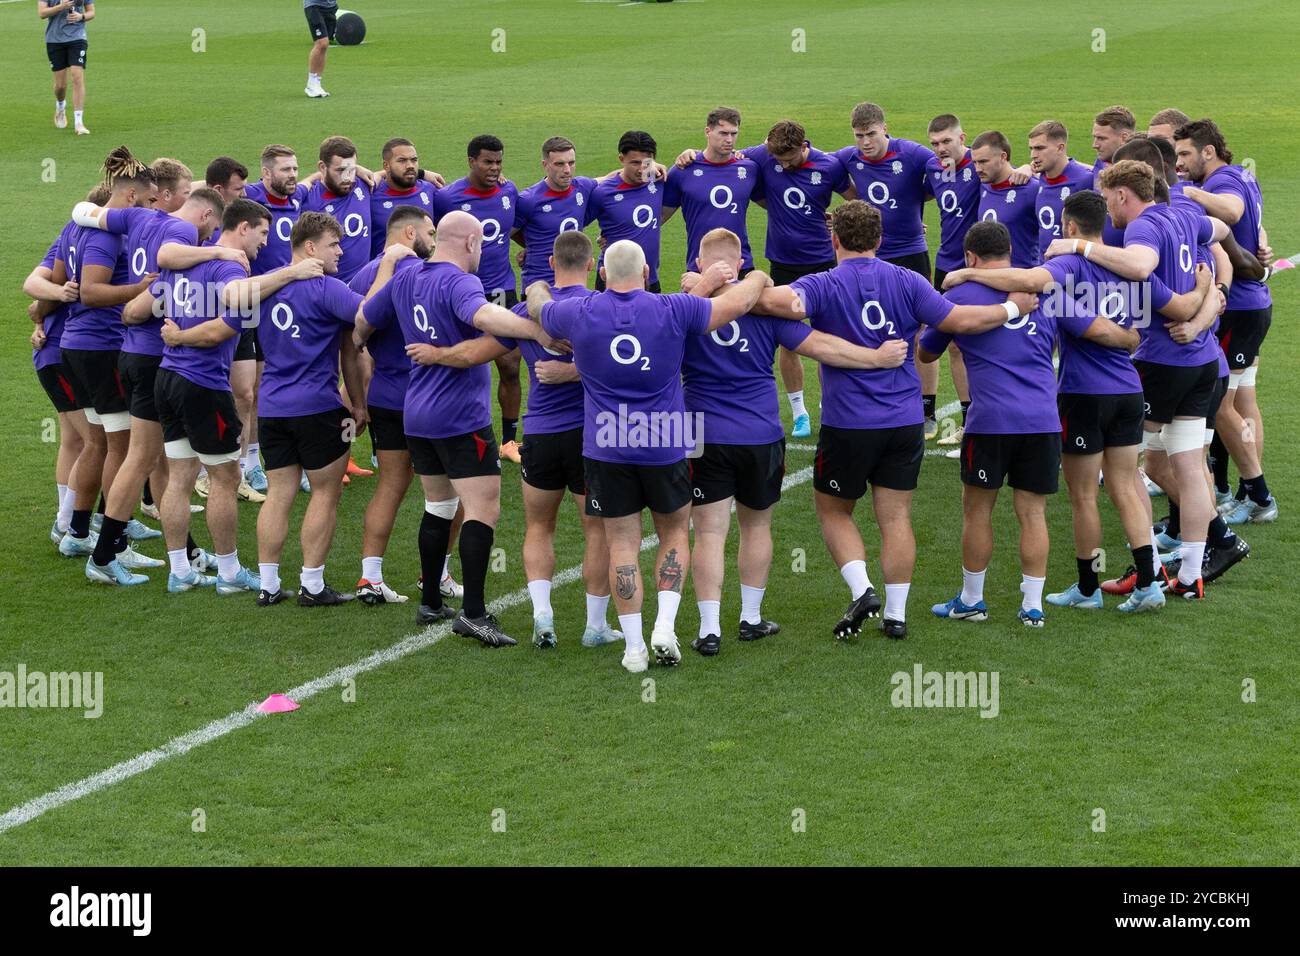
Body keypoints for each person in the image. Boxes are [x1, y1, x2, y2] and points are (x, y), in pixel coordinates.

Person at [755, 203, 1038, 638]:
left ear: (834, 241)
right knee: (896, 517)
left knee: (833, 511)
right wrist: (1012, 310)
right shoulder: (908, 280)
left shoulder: (823, 283)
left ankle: (862, 587)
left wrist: (743, 283)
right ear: (880, 240)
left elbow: (780, 303)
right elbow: (958, 320)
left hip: (848, 423)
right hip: (905, 419)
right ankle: (896, 615)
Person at [528, 240, 772, 671]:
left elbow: (539, 308)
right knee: (675, 535)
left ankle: (634, 647)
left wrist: (536, 288)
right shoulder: (672, 308)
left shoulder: (580, 312)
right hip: (666, 439)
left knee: (622, 545)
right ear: (645, 274)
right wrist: (753, 276)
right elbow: (734, 305)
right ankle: (665, 626)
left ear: (601, 275)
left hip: (606, 443)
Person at [683, 226, 919, 653]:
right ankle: (751, 619)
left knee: (709, 533)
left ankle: (709, 629)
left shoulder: (681, 310)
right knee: (756, 526)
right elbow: (822, 347)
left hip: (700, 432)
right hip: (760, 432)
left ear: (699, 264)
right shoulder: (765, 313)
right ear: (741, 264)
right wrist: (876, 358)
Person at [406, 231, 623, 649]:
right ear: (593, 264)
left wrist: (434, 354)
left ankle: (543, 618)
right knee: (597, 530)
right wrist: (578, 369)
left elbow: (472, 354)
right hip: (589, 437)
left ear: (552, 264)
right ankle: (595, 626)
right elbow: (627, 362)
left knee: (538, 527)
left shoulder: (525, 311)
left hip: (538, 436)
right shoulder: (599, 307)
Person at [356, 211, 559, 646]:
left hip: (417, 412)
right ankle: (473, 613)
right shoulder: (459, 282)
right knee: (483, 510)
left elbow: (361, 323)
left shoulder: (406, 276)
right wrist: (537, 331)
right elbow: (485, 318)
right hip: (459, 416)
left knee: (439, 506)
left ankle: (430, 600)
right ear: (471, 243)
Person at [155, 199, 320, 594]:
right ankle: (229, 574)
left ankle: (179, 570)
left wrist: (175, 335)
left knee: (179, 478)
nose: (266, 243)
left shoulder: (184, 259)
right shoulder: (230, 267)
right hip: (203, 385)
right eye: (263, 233)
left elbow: (156, 296)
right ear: (242, 228)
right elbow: (223, 318)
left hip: (167, 378)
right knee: (225, 478)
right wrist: (291, 272)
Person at [253, 212, 368, 606]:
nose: (341, 249)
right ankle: (312, 585)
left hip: (270, 408)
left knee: (278, 493)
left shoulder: (264, 288)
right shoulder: (326, 288)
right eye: (334, 244)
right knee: (325, 494)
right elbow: (371, 317)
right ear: (310, 248)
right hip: (318, 408)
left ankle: (268, 586)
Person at [348, 206, 438, 605]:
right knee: (447, 490)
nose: (433, 242)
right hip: (428, 397)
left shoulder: (361, 276)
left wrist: (356, 398)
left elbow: (350, 339)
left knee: (390, 485)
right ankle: (437, 575)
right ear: (408, 233)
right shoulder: (424, 275)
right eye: (430, 233)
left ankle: (370, 577)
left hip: (384, 396)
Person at [432, 135, 525, 461]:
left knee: (510, 365)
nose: (494, 168)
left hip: (500, 289)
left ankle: (509, 441)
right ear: (471, 160)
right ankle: (449, 434)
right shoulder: (446, 198)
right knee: (458, 363)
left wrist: (526, 247)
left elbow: (515, 227)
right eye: (488, 161)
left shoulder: (508, 191)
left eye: (499, 162)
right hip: (459, 291)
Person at [41, 1, 94, 135]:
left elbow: (91, 12)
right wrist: (61, 7)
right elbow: (42, 13)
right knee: (60, 86)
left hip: (77, 38)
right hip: (54, 40)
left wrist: (80, 17)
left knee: (77, 77)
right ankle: (60, 105)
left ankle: (79, 122)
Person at [304, 0, 337, 98]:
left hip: (330, 6)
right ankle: (311, 84)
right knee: (321, 43)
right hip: (314, 6)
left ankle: (317, 83)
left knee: (324, 46)